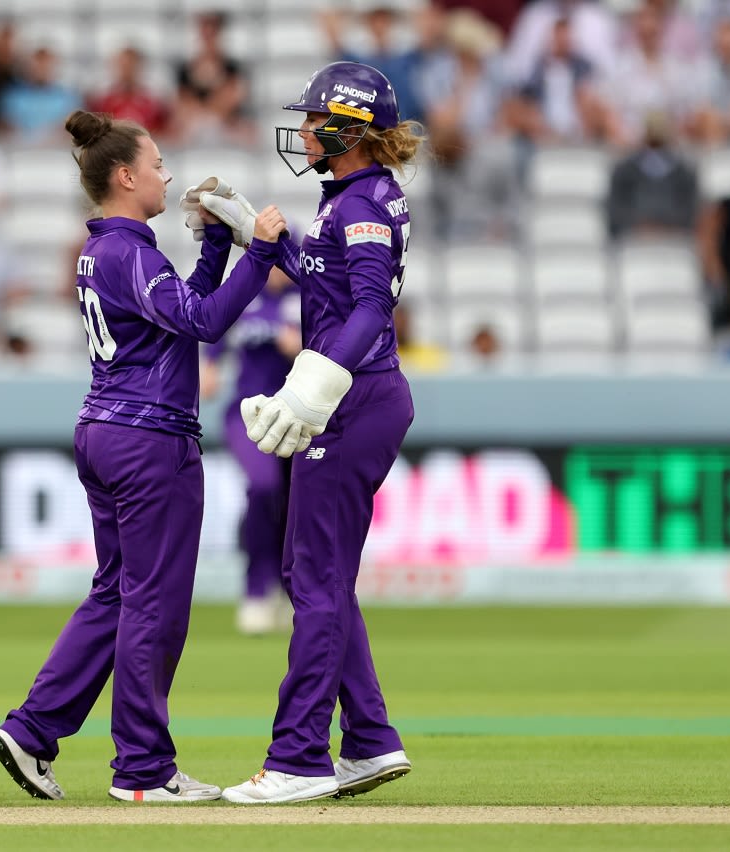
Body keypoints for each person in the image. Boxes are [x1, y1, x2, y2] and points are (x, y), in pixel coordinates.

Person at [0, 109, 286, 803]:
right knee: (154, 604)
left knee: (117, 593)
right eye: (156, 165)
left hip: (105, 429)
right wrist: (261, 252)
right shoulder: (131, 253)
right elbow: (206, 323)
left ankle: (33, 729)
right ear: (125, 176)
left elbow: (181, 317)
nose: (168, 175)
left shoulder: (104, 250)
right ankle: (144, 771)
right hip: (151, 439)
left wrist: (214, 247)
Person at [212, 61, 422, 804]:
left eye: (312, 119)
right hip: (358, 396)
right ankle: (368, 740)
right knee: (317, 575)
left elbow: (368, 310)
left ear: (346, 129)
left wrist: (312, 385)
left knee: (315, 577)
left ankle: (299, 757)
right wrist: (252, 234)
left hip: (354, 401)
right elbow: (326, 280)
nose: (301, 131)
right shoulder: (348, 200)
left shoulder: (363, 204)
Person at [200, 267, 303, 635]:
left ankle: (291, 587)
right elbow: (215, 334)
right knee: (263, 486)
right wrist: (209, 367)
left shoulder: (306, 296)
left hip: (300, 418)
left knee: (297, 505)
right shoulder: (246, 296)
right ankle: (257, 589)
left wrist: (302, 350)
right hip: (248, 415)